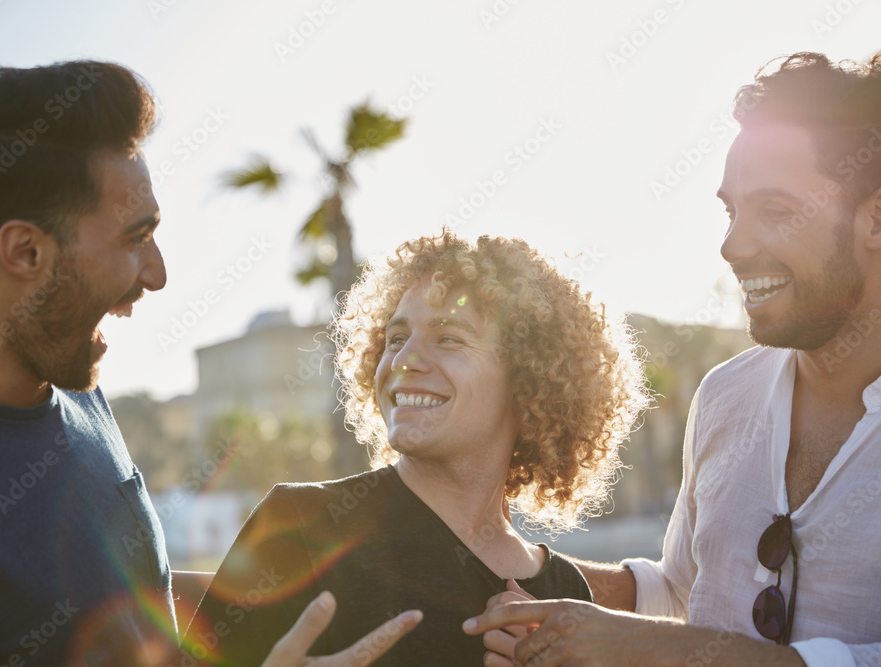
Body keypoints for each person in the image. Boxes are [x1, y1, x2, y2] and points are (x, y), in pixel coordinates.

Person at [0, 60, 416, 667]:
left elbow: (121, 606)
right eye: (136, 239)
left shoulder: (75, 387)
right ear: (25, 251)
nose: (158, 275)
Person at [465, 52, 881, 666]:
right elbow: (683, 590)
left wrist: (647, 649)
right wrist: (514, 569)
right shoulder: (724, 395)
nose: (732, 245)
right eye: (732, 210)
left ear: (879, 217)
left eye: (775, 210)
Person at [179, 231, 648, 665]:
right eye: (396, 338)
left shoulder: (565, 593)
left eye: (448, 338)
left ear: (529, 380)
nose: (403, 362)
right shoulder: (296, 524)